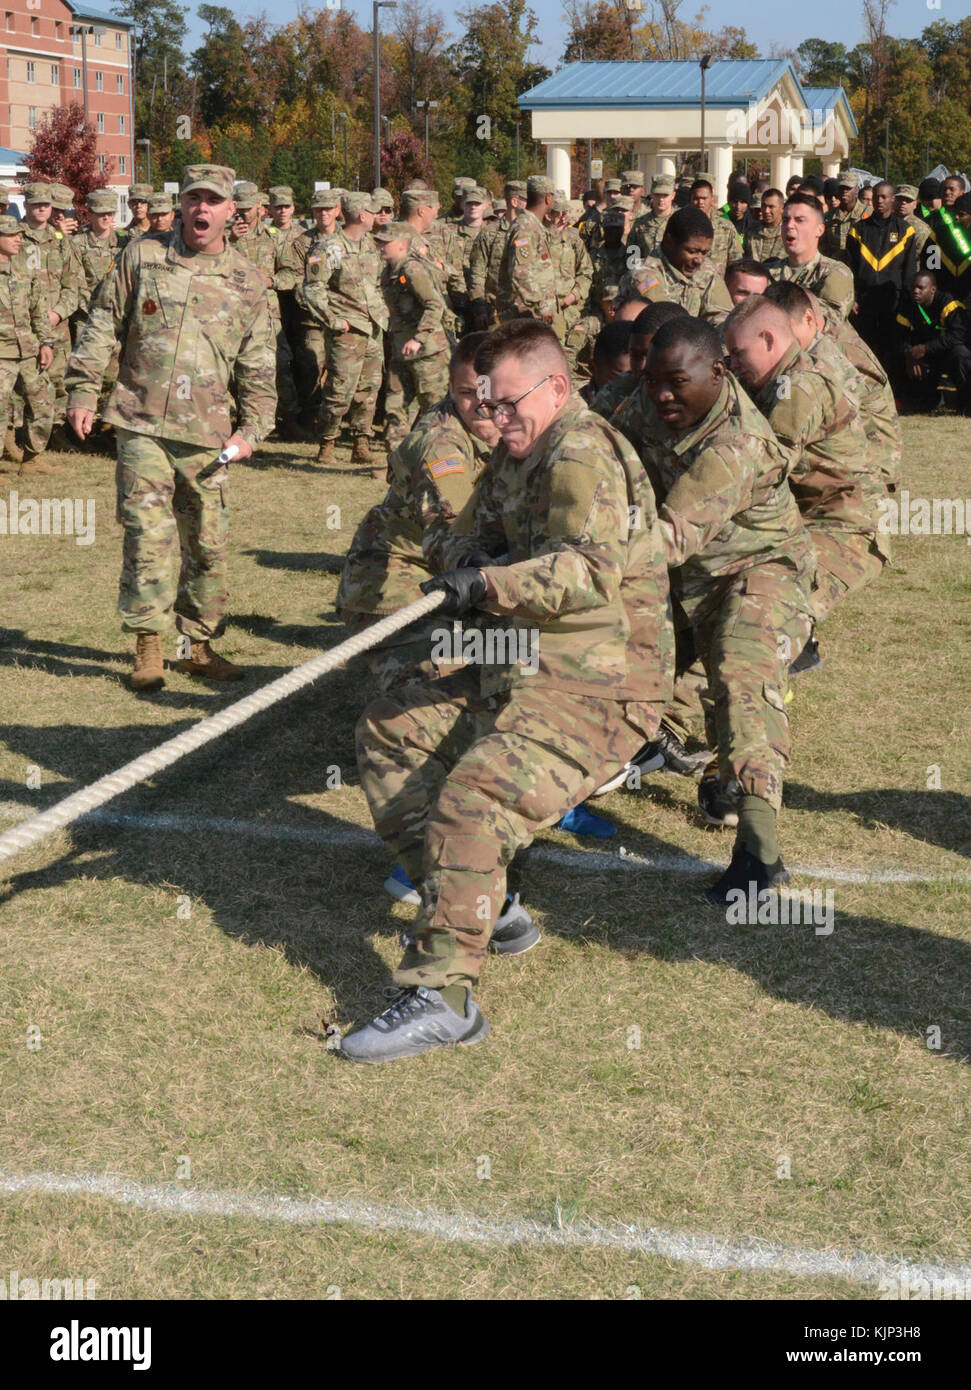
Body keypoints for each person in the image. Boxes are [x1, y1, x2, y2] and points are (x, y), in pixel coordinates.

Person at [341, 319, 674, 1062]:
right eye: (484, 406)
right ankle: (486, 907)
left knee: (474, 798)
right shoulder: (519, 450)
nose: (492, 422)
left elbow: (587, 573)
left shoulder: (581, 451)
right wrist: (464, 557)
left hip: (598, 682)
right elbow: (466, 529)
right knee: (392, 730)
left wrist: (484, 581)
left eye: (506, 405)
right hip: (518, 661)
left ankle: (444, 995)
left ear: (555, 388)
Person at [64, 164, 277, 692]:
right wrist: (82, 389)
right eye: (193, 200)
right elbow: (103, 321)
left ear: (234, 211)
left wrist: (254, 429)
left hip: (208, 435)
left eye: (213, 201)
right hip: (140, 421)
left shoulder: (248, 282)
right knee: (148, 535)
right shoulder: (143, 255)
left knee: (207, 540)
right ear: (180, 205)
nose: (201, 209)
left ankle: (197, 645)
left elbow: (259, 365)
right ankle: (149, 645)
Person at [633, 316, 814, 899]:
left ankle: (759, 848)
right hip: (687, 580)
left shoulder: (737, 445)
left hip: (757, 570)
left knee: (740, 674)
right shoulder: (648, 402)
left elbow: (670, 537)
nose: (661, 394)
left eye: (676, 382)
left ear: (718, 371)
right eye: (652, 381)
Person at [725, 296, 887, 632]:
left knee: (772, 606)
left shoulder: (799, 386)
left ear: (769, 339)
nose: (734, 364)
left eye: (739, 354)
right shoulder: (773, 381)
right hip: (801, 516)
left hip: (843, 527)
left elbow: (765, 471)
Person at [300, 190, 387, 467]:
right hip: (347, 330)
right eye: (372, 211)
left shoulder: (370, 245)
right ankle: (327, 445)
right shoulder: (328, 247)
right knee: (339, 391)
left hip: (372, 327)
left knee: (369, 389)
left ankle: (361, 443)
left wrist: (383, 312)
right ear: (362, 215)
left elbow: (377, 284)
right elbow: (313, 288)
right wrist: (334, 321)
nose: (376, 216)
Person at [375, 221, 450, 451]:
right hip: (401, 351)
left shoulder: (412, 269)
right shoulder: (389, 271)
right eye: (379, 241)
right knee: (395, 407)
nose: (380, 246)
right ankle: (396, 465)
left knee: (435, 409)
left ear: (401, 245)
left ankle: (441, 458)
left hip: (428, 353)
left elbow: (435, 305)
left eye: (386, 242)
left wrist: (418, 338)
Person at [18, 181, 82, 450]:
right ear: (27, 205)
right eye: (36, 204)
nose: (42, 209)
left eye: (46, 204)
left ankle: (52, 435)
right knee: (17, 384)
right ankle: (13, 436)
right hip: (19, 325)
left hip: (55, 326)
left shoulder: (61, 243)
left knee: (55, 382)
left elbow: (73, 286)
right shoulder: (13, 237)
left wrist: (57, 313)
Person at [0, 213, 55, 476]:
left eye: (19, 235)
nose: (18, 240)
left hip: (28, 351)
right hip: (2, 354)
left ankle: (32, 459)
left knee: (43, 403)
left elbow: (38, 310)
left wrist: (46, 342)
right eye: (11, 235)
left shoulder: (23, 270)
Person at [620, 206, 733, 323]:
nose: (699, 260)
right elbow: (666, 322)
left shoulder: (707, 270)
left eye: (704, 253)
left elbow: (723, 318)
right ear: (670, 241)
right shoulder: (643, 275)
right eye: (692, 251)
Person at [845, 180, 917, 361]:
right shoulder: (858, 230)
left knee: (892, 351)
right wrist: (851, 297)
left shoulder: (906, 231)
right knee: (864, 350)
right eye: (876, 197)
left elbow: (909, 271)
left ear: (893, 199)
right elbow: (848, 268)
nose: (879, 201)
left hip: (893, 301)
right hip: (864, 302)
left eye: (884, 197)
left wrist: (907, 304)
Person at [892, 269, 971, 415]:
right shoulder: (908, 304)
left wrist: (926, 348)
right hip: (925, 358)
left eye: (921, 288)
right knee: (895, 358)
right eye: (913, 287)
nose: (915, 291)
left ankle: (966, 404)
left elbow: (960, 335)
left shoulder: (949, 303)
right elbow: (899, 336)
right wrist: (909, 355)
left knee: (962, 355)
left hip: (947, 354)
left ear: (933, 289)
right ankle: (908, 400)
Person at [768, 193, 854, 319]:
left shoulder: (834, 273)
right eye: (785, 220)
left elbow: (825, 323)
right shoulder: (767, 272)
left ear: (819, 230)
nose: (789, 225)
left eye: (800, 220)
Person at [496, 174, 558, 325]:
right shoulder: (526, 228)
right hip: (524, 314)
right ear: (548, 198)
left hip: (532, 314)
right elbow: (520, 273)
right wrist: (542, 307)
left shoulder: (534, 226)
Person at [689, 179, 743, 275]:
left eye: (704, 198)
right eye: (696, 198)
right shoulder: (683, 225)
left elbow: (736, 260)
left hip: (718, 285)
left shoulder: (726, 227)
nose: (700, 202)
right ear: (691, 199)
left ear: (712, 199)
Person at [821, 171, 866, 263]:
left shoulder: (868, 214)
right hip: (835, 270)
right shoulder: (828, 217)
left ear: (856, 189)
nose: (844, 191)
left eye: (848, 188)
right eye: (841, 188)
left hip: (860, 269)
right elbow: (822, 248)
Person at [629, 175, 676, 259]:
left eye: (665, 195)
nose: (661, 199)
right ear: (651, 195)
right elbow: (632, 259)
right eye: (657, 194)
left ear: (673, 195)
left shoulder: (680, 221)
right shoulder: (640, 224)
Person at [744, 187, 784, 261]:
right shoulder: (751, 231)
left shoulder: (788, 233)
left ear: (782, 208)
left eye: (771, 207)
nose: (766, 211)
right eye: (763, 206)